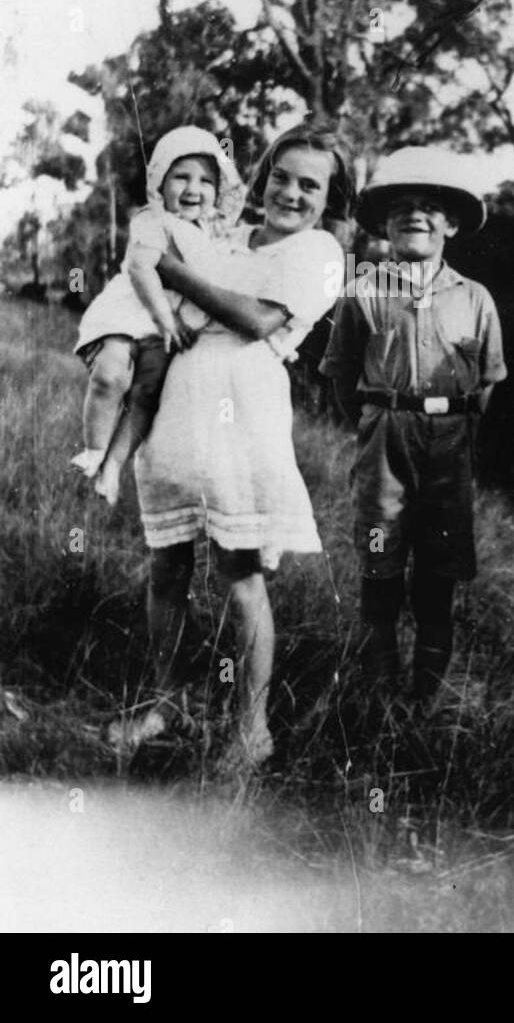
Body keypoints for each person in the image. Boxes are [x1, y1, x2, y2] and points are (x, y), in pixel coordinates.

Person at [111, 123, 353, 766]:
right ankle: (166, 703)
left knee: (238, 568)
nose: (292, 194)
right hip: (179, 397)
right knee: (167, 563)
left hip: (244, 403)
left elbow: (255, 319)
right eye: (282, 177)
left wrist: (165, 266)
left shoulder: (320, 251)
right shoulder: (222, 234)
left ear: (329, 198)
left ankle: (252, 728)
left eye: (311, 185)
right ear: (262, 177)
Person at [320, 146, 506, 711]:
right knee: (379, 567)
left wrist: (450, 426)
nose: (416, 216)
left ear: (451, 223)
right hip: (384, 442)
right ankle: (380, 692)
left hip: (449, 447)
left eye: (430, 207)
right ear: (384, 223)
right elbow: (341, 376)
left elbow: (489, 381)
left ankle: (421, 702)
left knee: (437, 578)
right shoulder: (363, 291)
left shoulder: (475, 298)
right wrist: (381, 418)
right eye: (402, 207)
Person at [72, 127, 245, 505]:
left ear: (219, 191)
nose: (192, 189)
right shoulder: (152, 220)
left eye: (205, 181)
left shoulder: (211, 236)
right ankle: (94, 449)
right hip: (132, 312)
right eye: (181, 177)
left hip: (166, 328)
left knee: (147, 393)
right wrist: (166, 318)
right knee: (110, 375)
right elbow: (140, 269)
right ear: (160, 182)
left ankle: (114, 465)